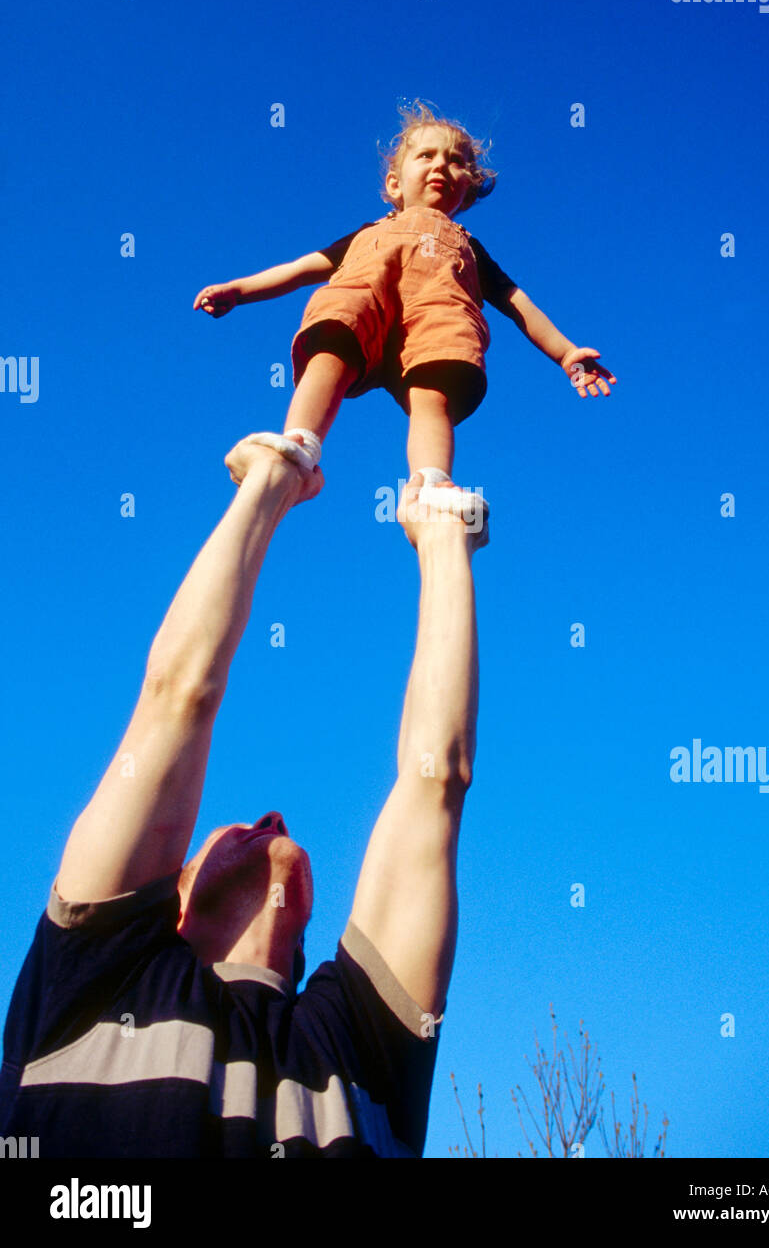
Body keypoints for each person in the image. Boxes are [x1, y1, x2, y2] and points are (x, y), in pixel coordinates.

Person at [0, 438, 484, 1157]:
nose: (272, 817)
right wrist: (267, 484)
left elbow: (435, 777)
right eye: (234, 830)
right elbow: (176, 697)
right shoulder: (94, 977)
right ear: (176, 894)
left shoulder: (356, 1040)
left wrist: (444, 538)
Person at [193, 101, 615, 522]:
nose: (441, 166)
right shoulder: (368, 233)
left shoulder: (469, 245)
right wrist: (240, 289)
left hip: (438, 316)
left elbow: (515, 300)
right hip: (364, 300)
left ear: (466, 189)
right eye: (426, 155)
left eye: (456, 162)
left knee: (433, 393)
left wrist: (565, 352)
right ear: (395, 183)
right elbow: (303, 268)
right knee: (332, 349)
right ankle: (301, 444)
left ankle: (431, 483)